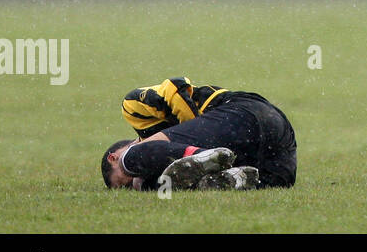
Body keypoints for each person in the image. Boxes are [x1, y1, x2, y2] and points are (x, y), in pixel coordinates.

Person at [101, 76, 297, 190]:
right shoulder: (164, 156)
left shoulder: (132, 107)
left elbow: (175, 85)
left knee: (133, 158)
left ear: (112, 157)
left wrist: (198, 134)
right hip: (276, 136)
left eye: (124, 183)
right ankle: (232, 177)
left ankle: (204, 156)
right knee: (270, 183)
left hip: (240, 111)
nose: (133, 181)